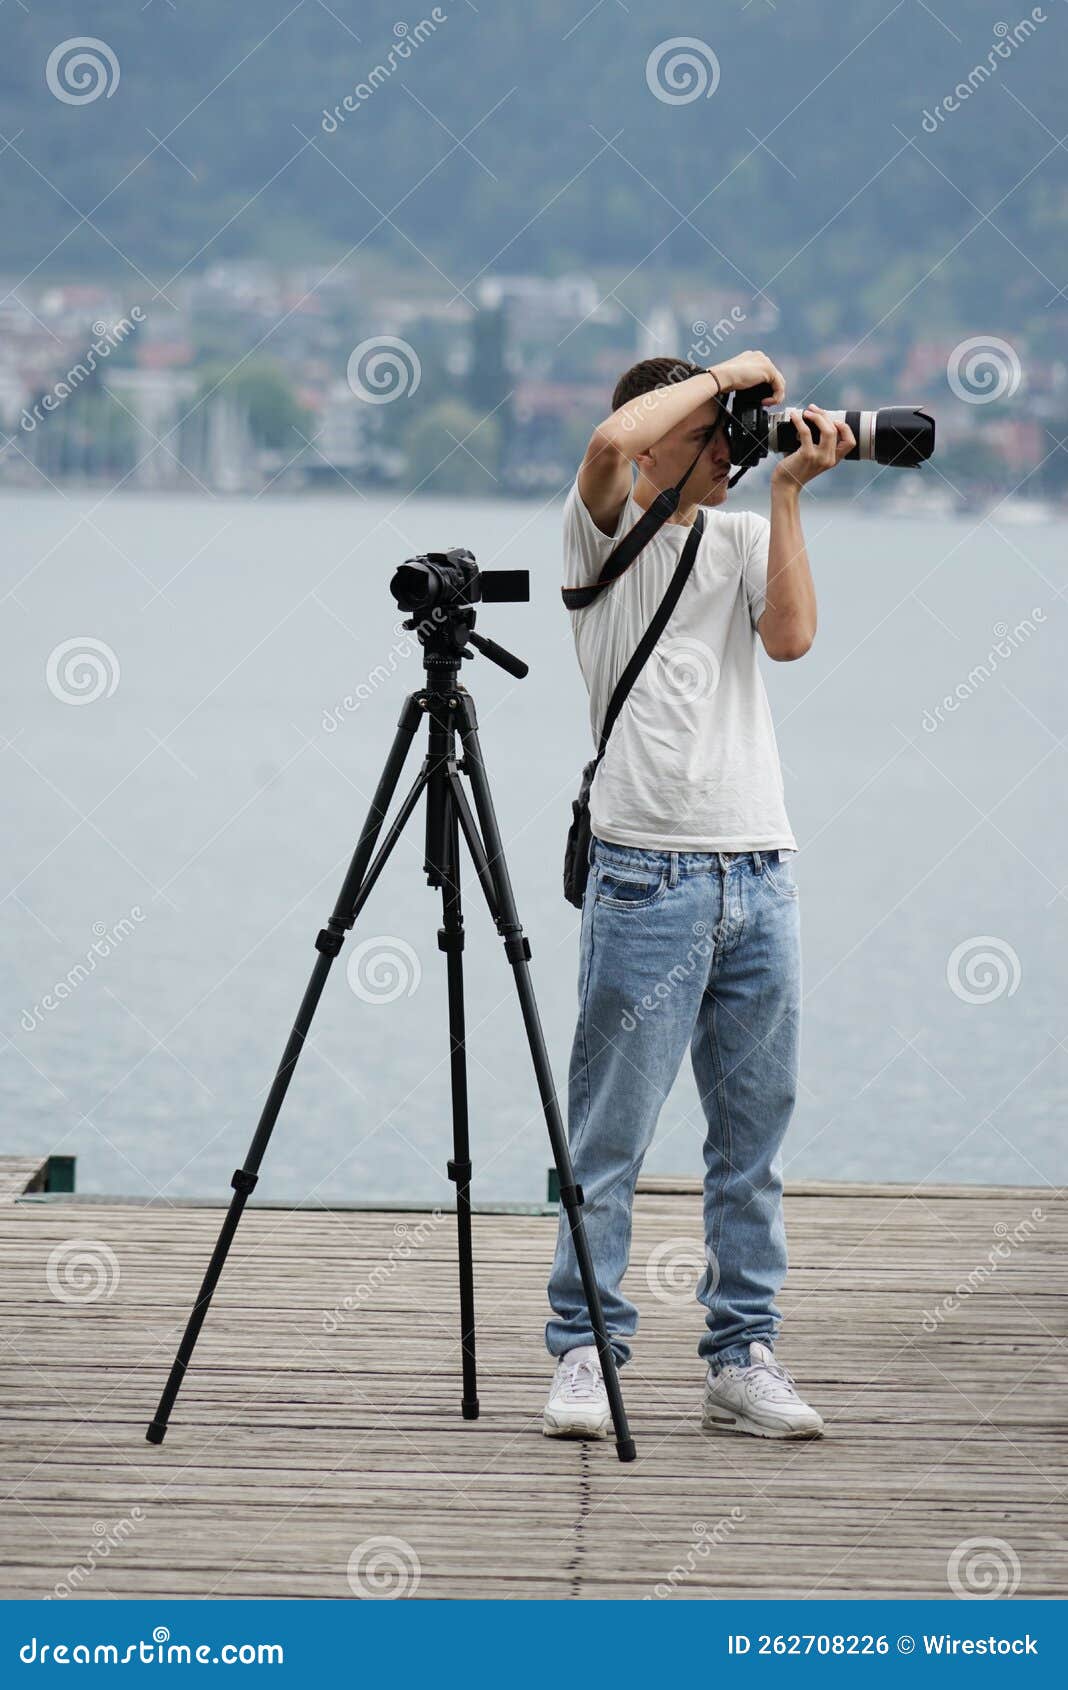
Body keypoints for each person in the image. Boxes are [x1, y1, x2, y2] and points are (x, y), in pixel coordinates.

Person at [543, 352, 855, 1441]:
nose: (731, 439)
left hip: (760, 866)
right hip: (648, 873)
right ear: (665, 428)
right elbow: (608, 447)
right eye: (719, 426)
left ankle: (741, 1354)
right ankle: (585, 1349)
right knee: (611, 1136)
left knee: (752, 1139)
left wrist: (783, 491)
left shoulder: (741, 535)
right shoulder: (605, 534)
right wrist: (732, 373)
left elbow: (792, 638)